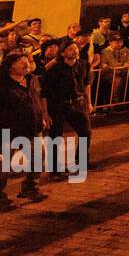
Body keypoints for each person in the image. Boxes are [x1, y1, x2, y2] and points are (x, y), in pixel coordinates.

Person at [0, 53, 47, 210]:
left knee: (39, 157)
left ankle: (30, 187)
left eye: (27, 61)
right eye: (20, 62)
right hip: (8, 133)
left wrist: (42, 117)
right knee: (3, 167)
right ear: (10, 66)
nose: (26, 63)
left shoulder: (31, 81)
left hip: (31, 129)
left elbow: (35, 101)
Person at [42, 42, 92, 176]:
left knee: (85, 132)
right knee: (56, 136)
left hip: (77, 103)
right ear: (63, 53)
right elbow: (45, 92)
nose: (74, 51)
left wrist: (89, 102)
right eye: (70, 49)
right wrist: (45, 112)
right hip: (58, 104)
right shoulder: (54, 68)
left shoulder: (84, 64)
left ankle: (81, 161)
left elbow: (86, 84)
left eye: (76, 48)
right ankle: (54, 168)